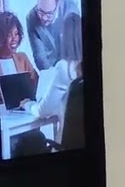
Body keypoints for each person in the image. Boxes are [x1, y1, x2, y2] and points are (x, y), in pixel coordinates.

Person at [22, 12, 82, 146]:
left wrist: (28, 104)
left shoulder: (64, 68)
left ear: (63, 37)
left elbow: (43, 111)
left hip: (68, 145)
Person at [26, 0, 81, 71]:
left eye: (49, 13)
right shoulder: (31, 18)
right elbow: (39, 56)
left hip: (71, 66)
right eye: (40, 11)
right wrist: (51, 76)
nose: (43, 17)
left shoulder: (70, 8)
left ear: (57, 3)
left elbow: (76, 45)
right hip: (51, 68)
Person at [0, 11, 37, 81]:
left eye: (16, 33)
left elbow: (37, 84)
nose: (14, 38)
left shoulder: (22, 58)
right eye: (9, 35)